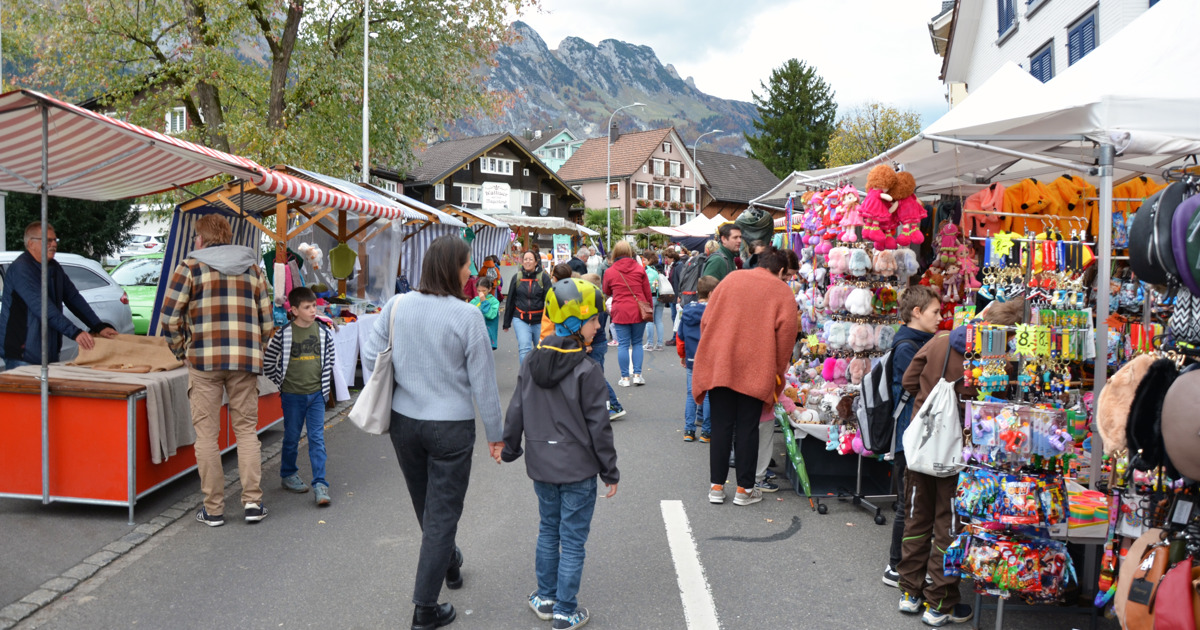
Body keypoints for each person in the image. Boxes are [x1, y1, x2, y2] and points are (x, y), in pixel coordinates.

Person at [362, 235, 505, 630]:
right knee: (440, 516)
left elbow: (372, 355)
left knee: (427, 507)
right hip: (451, 428)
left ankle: (451, 560)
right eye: (466, 264)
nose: (471, 272)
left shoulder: (397, 305)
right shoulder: (468, 316)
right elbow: (484, 385)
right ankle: (425, 608)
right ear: (451, 268)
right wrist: (497, 434)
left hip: (405, 423)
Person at [897, 297, 1024, 627]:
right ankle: (939, 602)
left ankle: (910, 593)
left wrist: (928, 400)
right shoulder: (995, 359)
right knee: (948, 526)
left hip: (922, 446)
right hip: (960, 453)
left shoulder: (939, 340)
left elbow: (910, 382)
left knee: (917, 517)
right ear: (1008, 332)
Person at [502, 278, 619, 630]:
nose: (599, 325)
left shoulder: (532, 363)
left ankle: (545, 597)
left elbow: (516, 410)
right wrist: (609, 471)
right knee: (572, 540)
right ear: (573, 321)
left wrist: (510, 447)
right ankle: (566, 610)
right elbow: (600, 427)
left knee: (548, 530)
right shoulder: (588, 370)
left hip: (541, 466)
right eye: (594, 319)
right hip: (579, 471)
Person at [160, 214, 274, 527]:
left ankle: (213, 509)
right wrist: (255, 348)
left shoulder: (190, 267)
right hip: (244, 362)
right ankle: (252, 502)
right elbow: (267, 321)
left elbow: (169, 318)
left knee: (207, 437)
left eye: (197, 236)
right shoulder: (252, 268)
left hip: (203, 362)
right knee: (247, 431)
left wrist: (182, 351)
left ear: (203, 238)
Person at [693, 247, 797, 506]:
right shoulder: (782, 291)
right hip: (756, 367)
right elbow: (786, 341)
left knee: (720, 426)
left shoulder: (731, 279)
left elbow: (706, 321)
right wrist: (778, 373)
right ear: (781, 270)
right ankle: (744, 490)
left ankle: (716, 487)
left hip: (721, 363)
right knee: (748, 428)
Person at [880, 285, 941, 589]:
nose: (940, 318)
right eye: (935, 312)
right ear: (917, 313)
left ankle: (904, 564)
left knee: (912, 503)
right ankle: (895, 566)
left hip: (913, 432)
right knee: (909, 504)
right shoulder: (908, 346)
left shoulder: (917, 340)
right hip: (909, 434)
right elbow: (918, 386)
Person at [0, 221, 118, 369]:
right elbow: (43, 308)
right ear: (31, 244)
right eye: (48, 240)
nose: (54, 244)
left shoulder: (54, 267)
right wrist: (75, 333)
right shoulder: (21, 269)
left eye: (55, 240)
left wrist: (98, 326)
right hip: (22, 354)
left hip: (47, 353)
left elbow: (73, 298)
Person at [263, 286, 337, 507]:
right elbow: (269, 362)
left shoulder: (324, 332)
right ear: (294, 310)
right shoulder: (283, 334)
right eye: (307, 307)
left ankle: (320, 484)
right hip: (292, 396)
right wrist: (282, 383)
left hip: (316, 396)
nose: (313, 310)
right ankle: (288, 474)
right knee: (292, 437)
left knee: (316, 438)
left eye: (314, 306)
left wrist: (323, 388)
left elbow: (330, 360)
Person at [601, 241, 652, 388]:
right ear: (630, 252)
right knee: (637, 343)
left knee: (623, 344)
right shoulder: (639, 269)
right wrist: (649, 311)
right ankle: (637, 375)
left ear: (615, 253)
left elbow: (607, 290)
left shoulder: (610, 271)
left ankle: (624, 378)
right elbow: (647, 292)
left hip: (620, 309)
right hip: (638, 309)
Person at [676, 275, 717, 442]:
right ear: (711, 293)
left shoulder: (687, 311)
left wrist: (683, 355)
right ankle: (706, 431)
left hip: (692, 357)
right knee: (708, 395)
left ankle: (689, 430)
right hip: (709, 358)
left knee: (690, 394)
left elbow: (680, 336)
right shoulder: (714, 312)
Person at [580, 273, 625, 421]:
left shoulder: (593, 305)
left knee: (597, 377)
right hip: (599, 344)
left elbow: (594, 328)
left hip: (594, 344)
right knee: (597, 376)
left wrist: (587, 344)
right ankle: (600, 405)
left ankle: (614, 406)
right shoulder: (600, 302)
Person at [503, 250, 553, 364]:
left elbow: (550, 301)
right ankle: (525, 378)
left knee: (541, 349)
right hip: (521, 318)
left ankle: (539, 378)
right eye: (525, 259)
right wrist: (506, 322)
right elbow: (510, 299)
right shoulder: (517, 277)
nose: (528, 261)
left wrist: (552, 321)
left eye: (531, 259)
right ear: (522, 262)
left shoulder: (544, 278)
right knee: (524, 348)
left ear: (536, 262)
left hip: (540, 320)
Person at [541, 264, 576, 342]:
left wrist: (543, 342)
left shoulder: (552, 296)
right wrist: (587, 343)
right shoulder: (577, 293)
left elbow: (548, 324)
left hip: (558, 340)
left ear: (555, 278)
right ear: (570, 276)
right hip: (576, 340)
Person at [641, 250, 665, 351]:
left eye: (645, 260)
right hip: (661, 297)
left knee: (649, 321)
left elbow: (650, 286)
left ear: (649, 260)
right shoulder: (659, 269)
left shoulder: (648, 271)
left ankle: (650, 344)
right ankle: (659, 344)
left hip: (652, 297)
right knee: (659, 321)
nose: (643, 261)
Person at [470, 277, 501, 350]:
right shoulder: (475, 300)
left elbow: (491, 315)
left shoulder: (494, 302)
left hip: (488, 334)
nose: (481, 293)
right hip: (475, 333)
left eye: (484, 291)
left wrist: (484, 301)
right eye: (479, 290)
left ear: (489, 289)